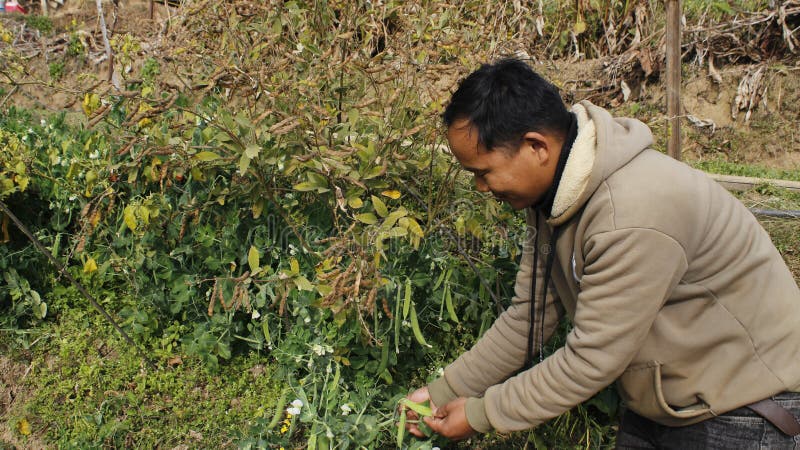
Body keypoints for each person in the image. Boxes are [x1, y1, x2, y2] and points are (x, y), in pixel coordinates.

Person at [404, 58, 800, 448]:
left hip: (746, 410)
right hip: (669, 405)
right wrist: (444, 392)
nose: (480, 187)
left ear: (536, 146)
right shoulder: (553, 197)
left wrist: (481, 414)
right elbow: (529, 317)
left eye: (483, 172)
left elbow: (590, 359)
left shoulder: (631, 213)